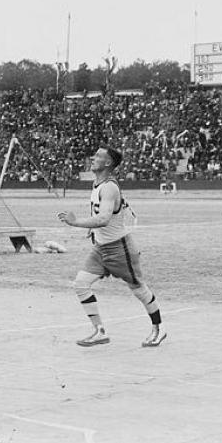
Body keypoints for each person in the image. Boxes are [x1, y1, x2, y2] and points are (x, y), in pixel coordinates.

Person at [58, 145, 166, 348]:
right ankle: (99, 331)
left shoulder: (109, 187)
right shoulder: (98, 184)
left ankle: (158, 329)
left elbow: (105, 218)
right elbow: (104, 214)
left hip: (119, 249)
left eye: (98, 156)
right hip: (101, 248)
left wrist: (76, 222)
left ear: (108, 163)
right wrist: (92, 230)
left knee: (138, 288)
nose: (93, 157)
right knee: (81, 284)